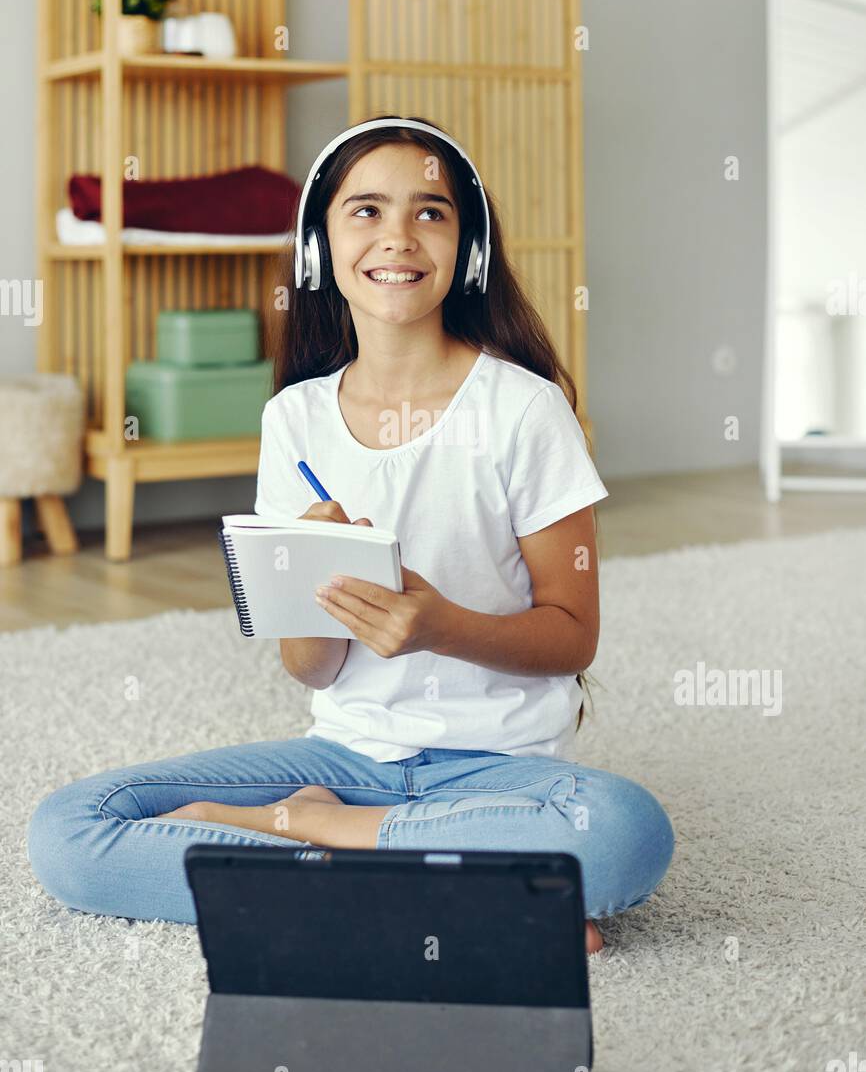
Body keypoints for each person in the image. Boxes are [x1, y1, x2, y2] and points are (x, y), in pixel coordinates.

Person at [28, 116, 674, 951]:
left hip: (502, 774)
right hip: (347, 761)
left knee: (625, 832)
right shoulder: (294, 418)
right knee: (71, 830)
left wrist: (442, 626)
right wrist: (314, 593)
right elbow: (308, 666)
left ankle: (320, 842)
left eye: (430, 212)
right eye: (365, 211)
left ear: (467, 248)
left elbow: (573, 637)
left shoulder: (524, 409)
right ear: (320, 249)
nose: (397, 236)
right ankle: (459, 885)